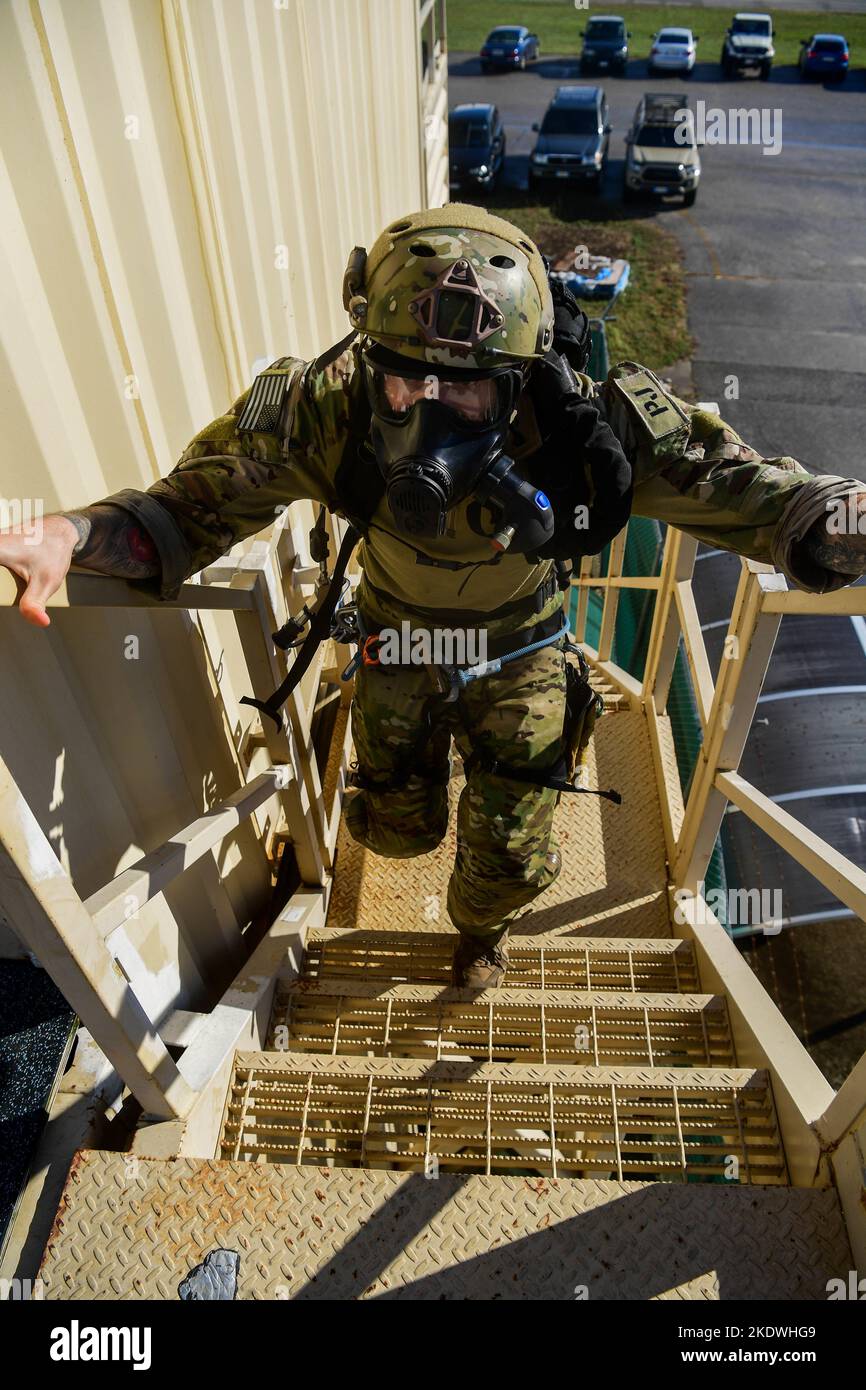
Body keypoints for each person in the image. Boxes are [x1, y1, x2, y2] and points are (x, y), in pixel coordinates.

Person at [2, 205, 864, 989]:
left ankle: (479, 934)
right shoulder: (329, 408)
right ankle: (408, 801)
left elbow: (747, 488)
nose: (431, 410)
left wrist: (839, 519)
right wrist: (75, 535)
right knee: (397, 829)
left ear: (522, 376)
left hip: (521, 648)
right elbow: (194, 502)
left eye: (468, 388)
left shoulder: (582, 429)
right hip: (396, 645)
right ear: (369, 357)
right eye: (407, 380)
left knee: (511, 861)